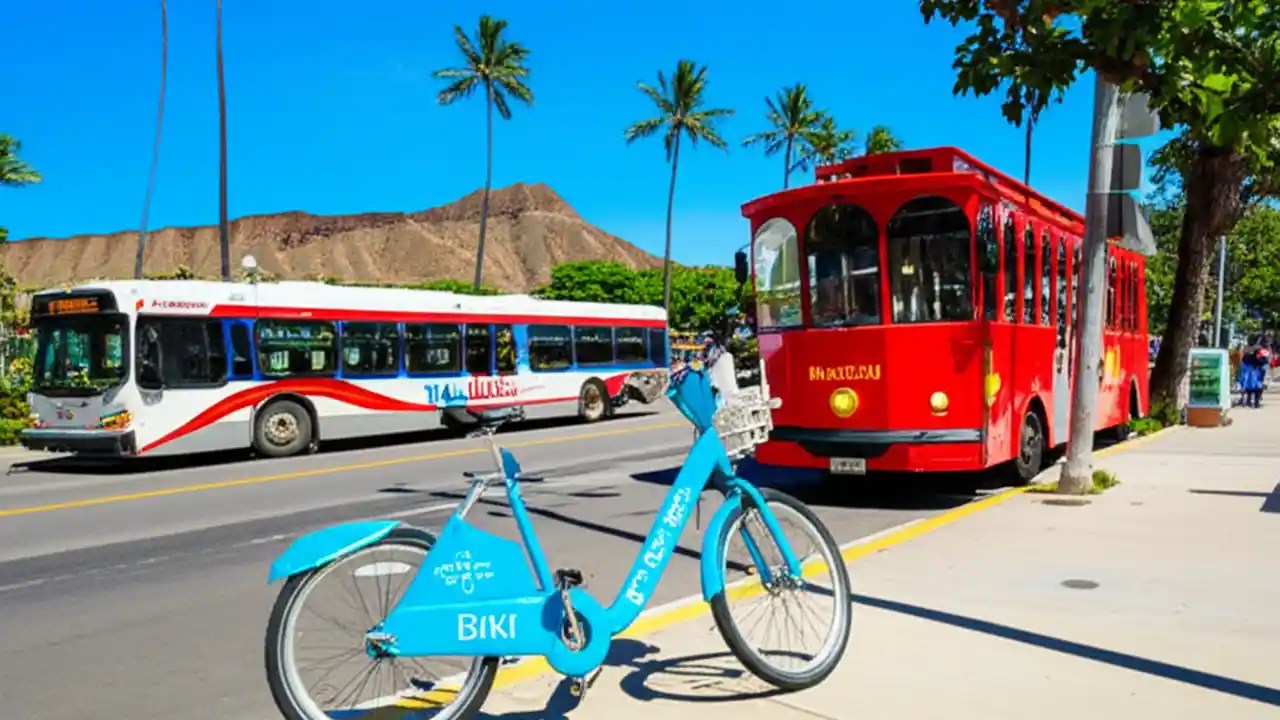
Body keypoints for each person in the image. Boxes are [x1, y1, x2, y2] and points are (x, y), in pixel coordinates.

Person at [1237, 336, 1267, 408]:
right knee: (1256, 387)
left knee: (1250, 386)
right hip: (1256, 370)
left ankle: (1249, 401)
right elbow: (1263, 359)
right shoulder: (1259, 348)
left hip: (1249, 369)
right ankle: (1256, 403)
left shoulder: (1246, 348)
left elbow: (1244, 359)